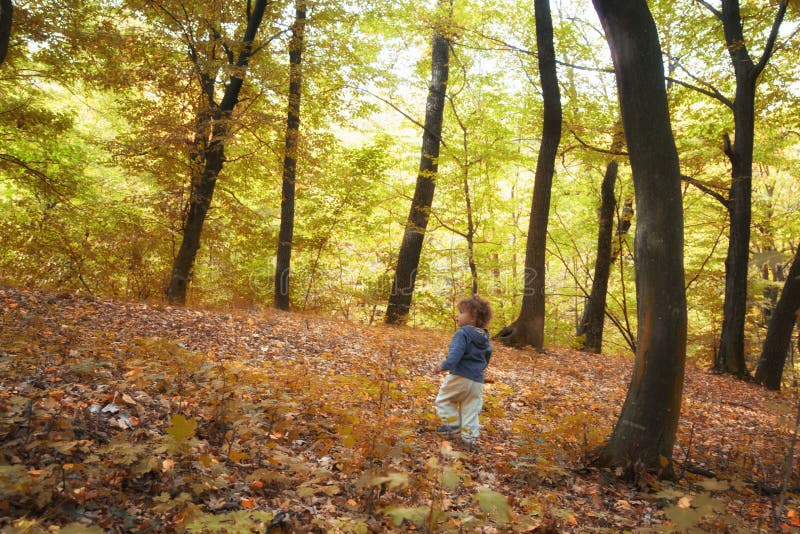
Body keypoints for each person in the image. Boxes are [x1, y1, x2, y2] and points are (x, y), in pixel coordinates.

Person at [435, 295, 493, 445]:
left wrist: (445, 365)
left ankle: (452, 425)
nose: (457, 316)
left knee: (444, 400)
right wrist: (479, 369)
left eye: (461, 313)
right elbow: (487, 355)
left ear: (473, 318)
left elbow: (456, 353)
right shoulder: (485, 337)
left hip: (460, 376)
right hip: (477, 381)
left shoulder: (463, 332)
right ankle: (470, 440)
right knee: (471, 409)